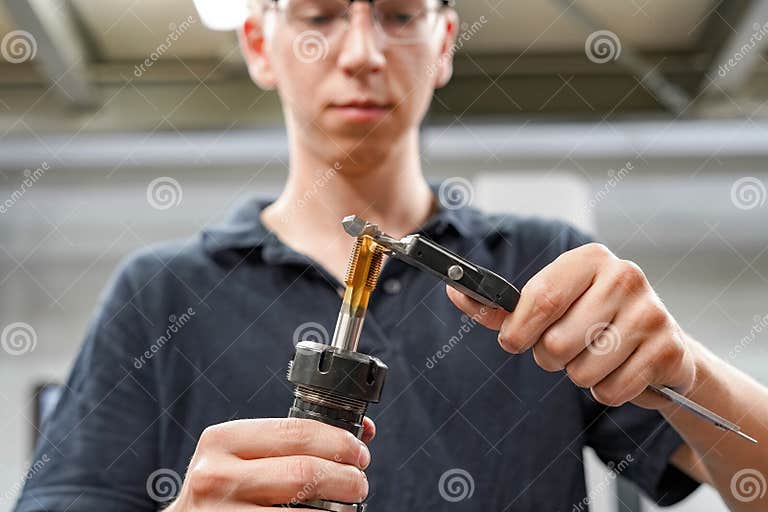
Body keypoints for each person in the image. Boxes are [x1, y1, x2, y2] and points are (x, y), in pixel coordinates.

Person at [14, 1, 768, 510]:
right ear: (258, 43)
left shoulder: (545, 272)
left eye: (400, 14)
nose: (363, 52)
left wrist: (689, 375)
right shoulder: (160, 294)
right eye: (320, 15)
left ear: (443, 43)